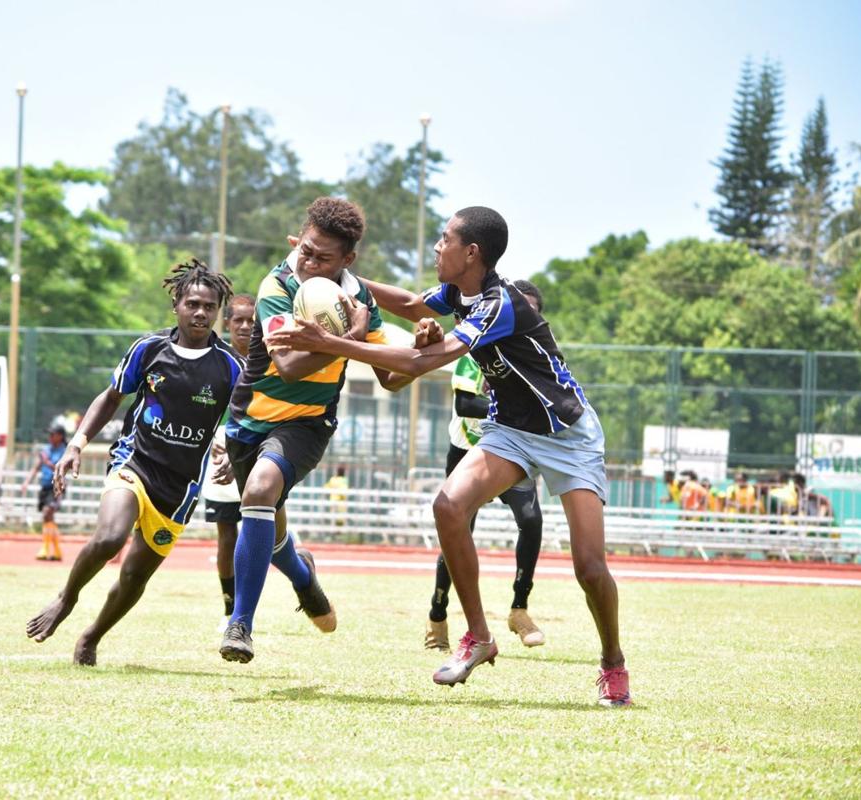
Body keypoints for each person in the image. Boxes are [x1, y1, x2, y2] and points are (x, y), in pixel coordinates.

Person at [268, 206, 632, 706]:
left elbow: (423, 359)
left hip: (569, 435)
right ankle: (479, 637)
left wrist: (331, 341)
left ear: (471, 253)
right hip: (510, 430)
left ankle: (613, 661)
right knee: (449, 507)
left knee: (589, 568)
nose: (437, 247)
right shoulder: (460, 293)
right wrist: (341, 275)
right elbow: (413, 305)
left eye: (445, 239)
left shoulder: (497, 305)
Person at [218, 197, 416, 664]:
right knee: (272, 533)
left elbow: (390, 378)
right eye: (306, 250)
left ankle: (239, 624)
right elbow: (287, 365)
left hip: (308, 422)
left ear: (348, 260)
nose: (309, 262)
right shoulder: (277, 286)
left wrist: (418, 357)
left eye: (323, 257)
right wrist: (350, 339)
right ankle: (304, 576)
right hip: (250, 421)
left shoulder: (359, 299)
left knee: (261, 493)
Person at [25, 260, 242, 665]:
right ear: (176, 304)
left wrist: (233, 450)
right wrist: (76, 443)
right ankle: (66, 597)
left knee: (135, 576)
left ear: (218, 312)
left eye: (209, 306)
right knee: (110, 538)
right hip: (134, 462)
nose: (200, 312)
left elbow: (246, 420)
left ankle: (91, 637)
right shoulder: (148, 349)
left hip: (180, 487)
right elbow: (111, 397)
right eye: (192, 303)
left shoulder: (230, 366)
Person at [356, 272, 549, 653]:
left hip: (513, 448)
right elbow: (463, 403)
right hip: (468, 450)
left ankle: (519, 609)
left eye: (530, 315)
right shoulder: (474, 349)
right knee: (456, 534)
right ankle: (438, 613)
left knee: (531, 520)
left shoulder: (532, 358)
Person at [201, 294, 256, 628]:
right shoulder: (216, 359)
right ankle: (230, 609)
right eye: (239, 320)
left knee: (264, 531)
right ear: (228, 323)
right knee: (227, 533)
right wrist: (211, 443)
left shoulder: (271, 357)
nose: (246, 326)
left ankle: (299, 574)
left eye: (252, 320)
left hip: (262, 445)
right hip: (222, 446)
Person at [22, 423, 68, 561]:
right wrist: (26, 482)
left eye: (52, 434)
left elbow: (62, 470)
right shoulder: (46, 449)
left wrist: (47, 462)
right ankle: (57, 551)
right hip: (45, 487)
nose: (50, 437)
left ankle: (45, 549)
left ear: (60, 436)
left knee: (47, 512)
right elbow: (36, 467)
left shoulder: (64, 451)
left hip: (57, 487)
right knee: (48, 518)